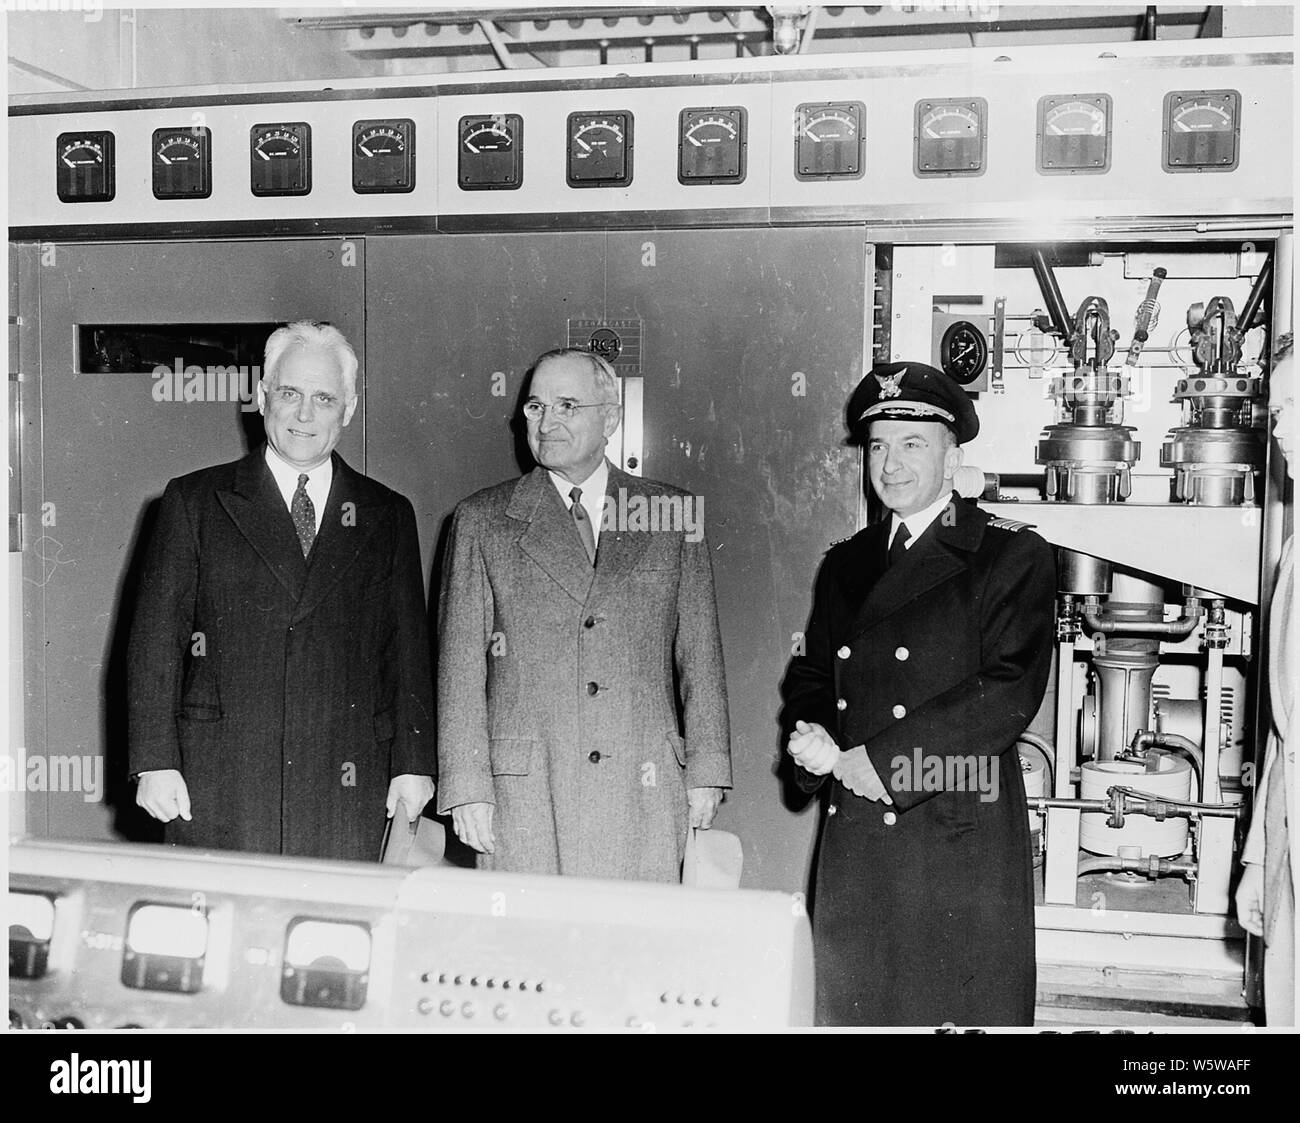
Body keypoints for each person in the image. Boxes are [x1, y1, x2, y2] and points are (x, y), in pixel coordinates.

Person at [781, 361, 1056, 1026]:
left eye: (912, 445)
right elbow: (815, 677)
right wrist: (810, 734)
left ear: (952, 454)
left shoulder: (1007, 554)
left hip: (954, 835)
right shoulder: (848, 560)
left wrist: (884, 762)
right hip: (858, 849)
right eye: (878, 446)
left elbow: (1007, 688)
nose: (891, 465)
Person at [128, 321, 434, 861]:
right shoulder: (194, 501)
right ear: (262, 397)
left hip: (347, 779)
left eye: (324, 398)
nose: (305, 414)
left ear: (349, 408)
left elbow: (407, 652)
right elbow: (155, 641)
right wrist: (155, 760)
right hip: (219, 777)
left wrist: (413, 764)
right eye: (289, 393)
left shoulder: (387, 514)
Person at [436, 347, 731, 882]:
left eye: (567, 405)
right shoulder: (481, 521)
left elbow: (700, 658)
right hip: (524, 797)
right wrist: (467, 789)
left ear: (611, 418)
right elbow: (459, 667)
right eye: (535, 407)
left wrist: (706, 773)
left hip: (645, 790)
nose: (547, 422)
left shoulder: (673, 517)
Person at [1236, 330, 1295, 1025]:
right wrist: (1260, 861)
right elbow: (1284, 743)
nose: (1276, 429)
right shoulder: (1294, 557)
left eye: (1290, 408)